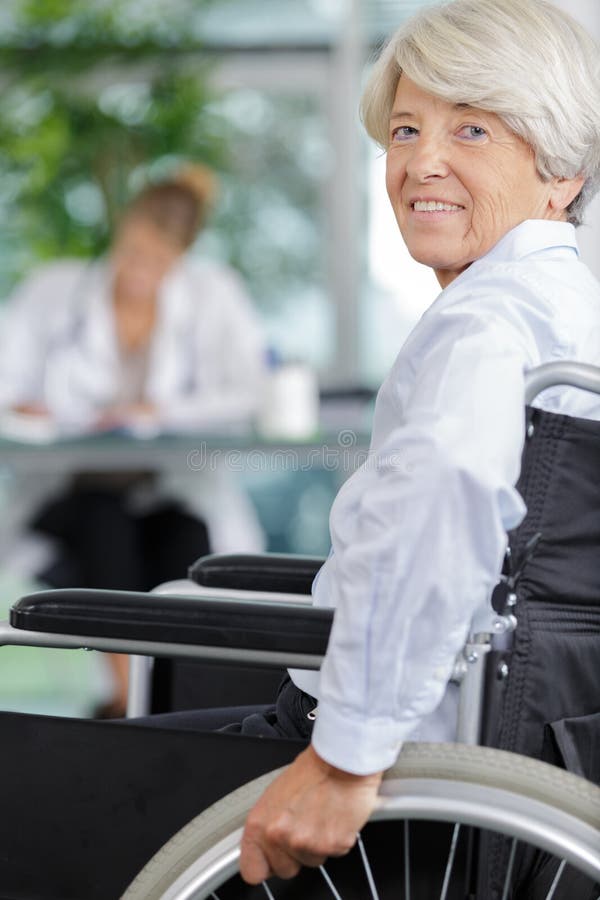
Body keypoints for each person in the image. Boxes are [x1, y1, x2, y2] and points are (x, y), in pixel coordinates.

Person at [0, 166, 267, 715]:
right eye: (135, 251)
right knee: (105, 524)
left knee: (187, 541)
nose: (142, 270)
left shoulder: (211, 294)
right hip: (68, 493)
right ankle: (125, 701)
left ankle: (176, 703)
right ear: (123, 230)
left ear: (182, 255)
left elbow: (248, 392)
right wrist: (22, 405)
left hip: (165, 489)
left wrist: (161, 410)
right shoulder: (54, 290)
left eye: (159, 260)